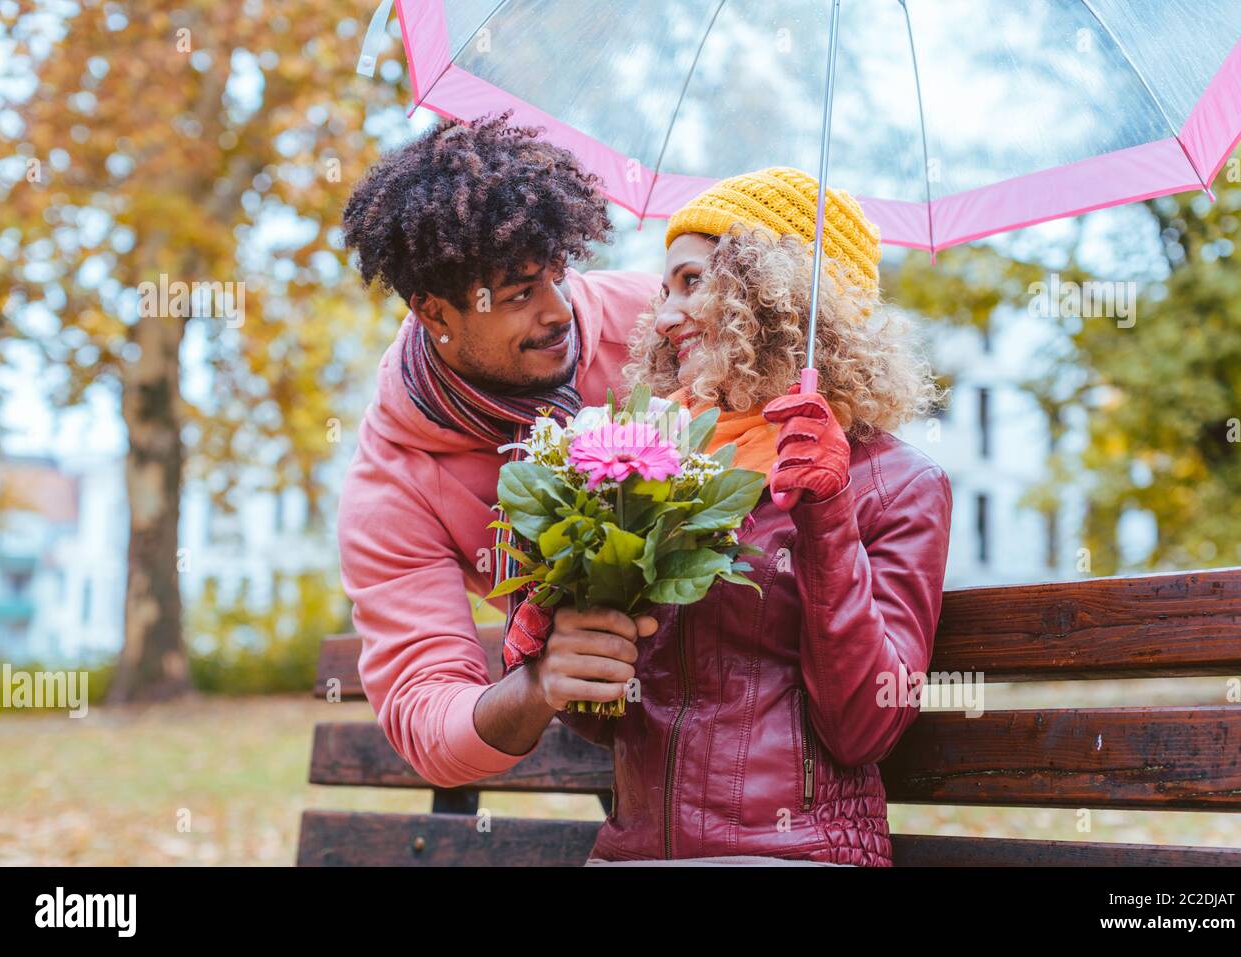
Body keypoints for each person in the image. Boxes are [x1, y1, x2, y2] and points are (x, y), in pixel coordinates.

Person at [521, 167, 954, 865]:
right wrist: (566, 593)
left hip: (792, 854)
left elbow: (863, 728)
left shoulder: (896, 482)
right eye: (665, 289)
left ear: (777, 294)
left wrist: (828, 517)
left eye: (692, 281)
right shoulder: (661, 462)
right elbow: (611, 721)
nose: (662, 317)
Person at [336, 110, 662, 789]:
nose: (557, 311)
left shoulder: (653, 325)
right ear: (435, 314)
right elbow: (428, 715)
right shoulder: (394, 486)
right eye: (519, 294)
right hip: (626, 743)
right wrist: (541, 684)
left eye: (557, 274)